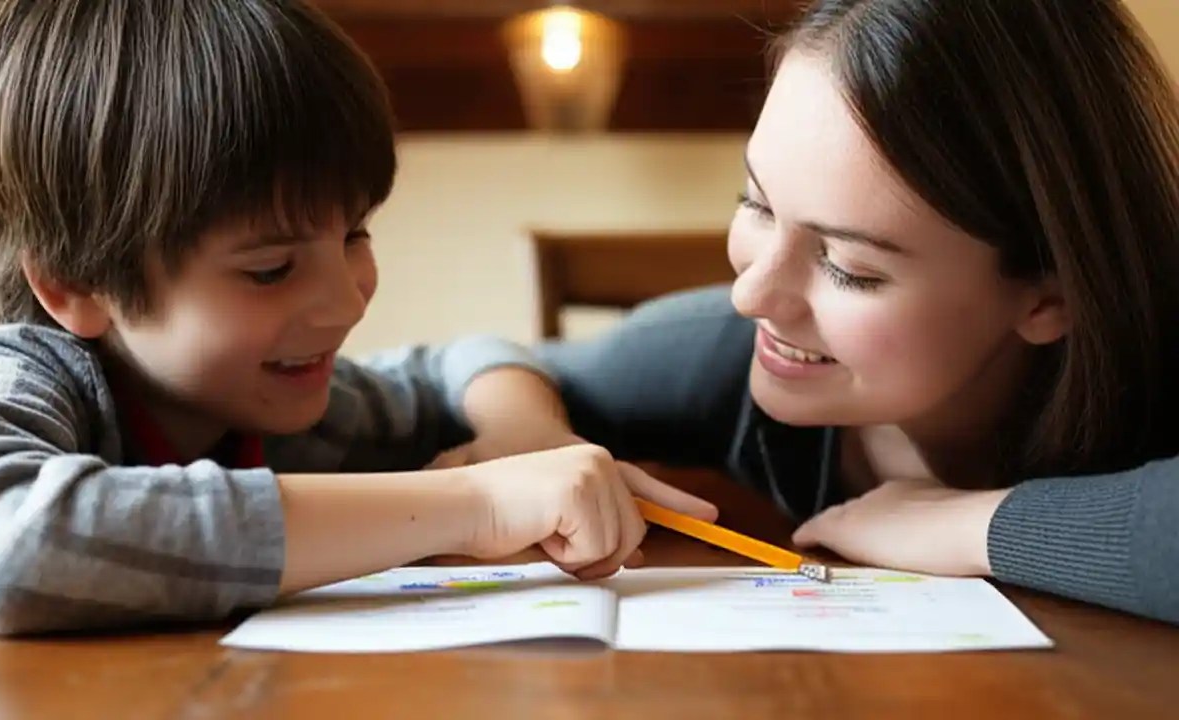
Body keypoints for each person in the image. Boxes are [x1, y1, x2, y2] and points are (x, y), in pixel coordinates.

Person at [0, 0, 715, 636]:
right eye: (271, 269)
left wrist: (524, 439)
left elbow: (457, 361)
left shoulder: (267, 407)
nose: (349, 296)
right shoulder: (2, 375)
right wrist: (479, 505)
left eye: (354, 233)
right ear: (74, 286)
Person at [462, 0, 1179, 625]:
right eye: (756, 204)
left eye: (850, 268)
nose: (751, 297)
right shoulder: (721, 352)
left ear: (1051, 297)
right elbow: (455, 368)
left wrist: (969, 526)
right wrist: (523, 431)